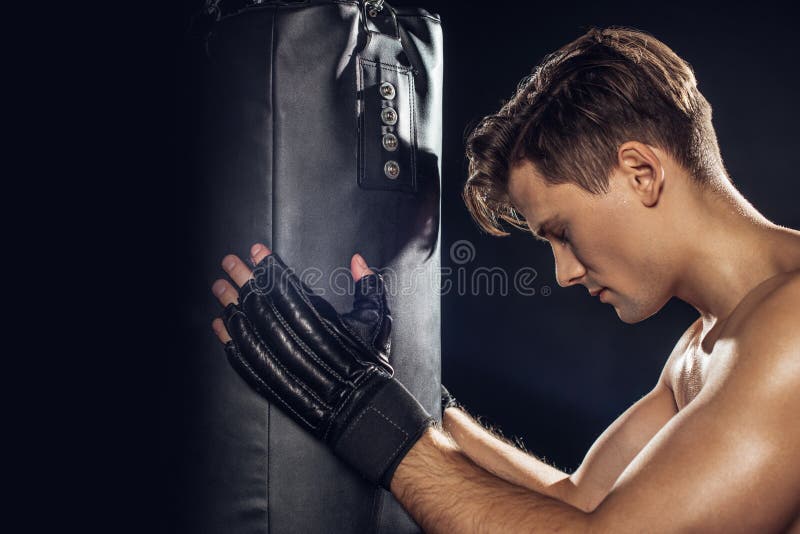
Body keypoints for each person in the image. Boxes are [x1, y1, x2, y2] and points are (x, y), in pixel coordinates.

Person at [209, 26, 800, 532]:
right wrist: (418, 401)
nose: (564, 272)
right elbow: (579, 502)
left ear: (641, 172)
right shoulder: (701, 350)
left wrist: (364, 416)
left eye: (563, 231)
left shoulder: (791, 326)